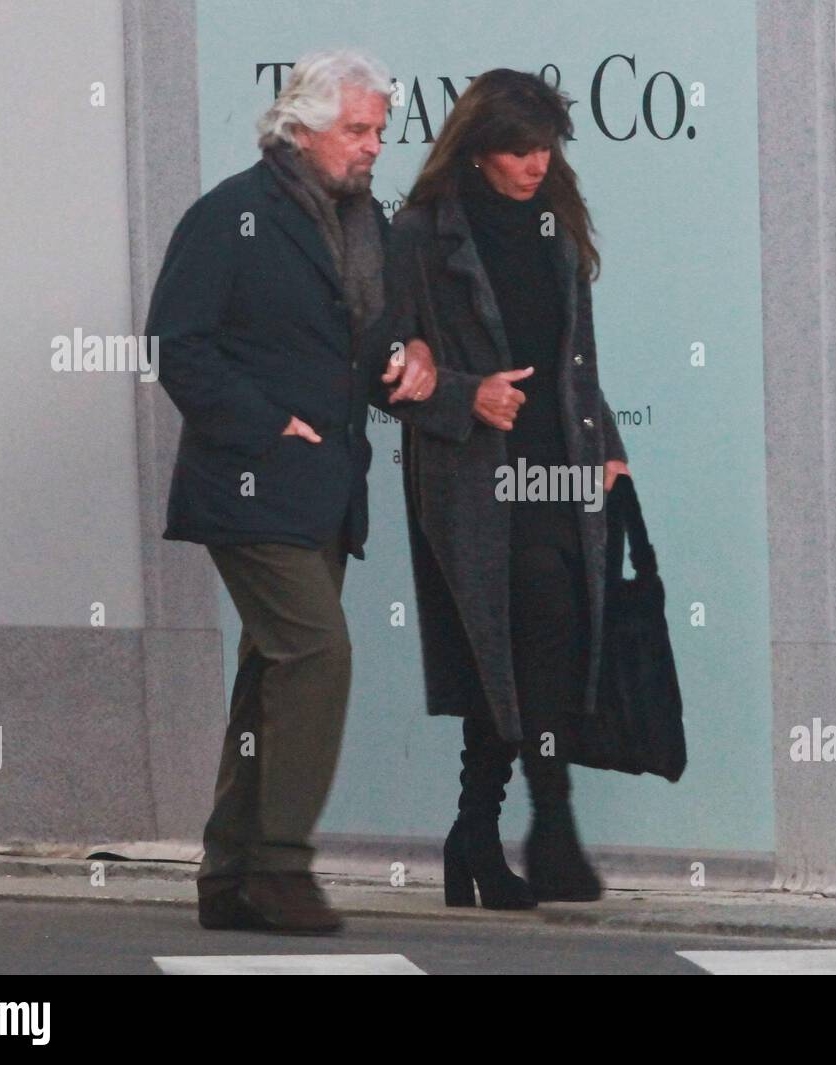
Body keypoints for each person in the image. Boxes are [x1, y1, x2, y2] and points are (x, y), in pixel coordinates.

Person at [147, 49, 442, 934]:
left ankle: (229, 873)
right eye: (358, 129)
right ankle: (279, 867)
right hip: (248, 485)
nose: (374, 146)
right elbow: (178, 346)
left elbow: (380, 344)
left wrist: (414, 356)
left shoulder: (366, 227)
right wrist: (267, 425)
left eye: (381, 130)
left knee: (270, 670)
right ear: (300, 130)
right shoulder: (229, 214)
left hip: (325, 492)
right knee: (316, 654)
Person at [380, 69, 631, 909]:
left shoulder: (557, 228)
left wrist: (612, 451)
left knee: (549, 637)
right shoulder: (419, 235)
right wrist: (466, 394)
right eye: (518, 148)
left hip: (561, 465)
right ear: (478, 150)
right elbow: (386, 370)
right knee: (509, 638)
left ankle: (486, 833)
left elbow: (576, 362)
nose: (535, 163)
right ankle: (531, 831)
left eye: (545, 147)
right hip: (475, 474)